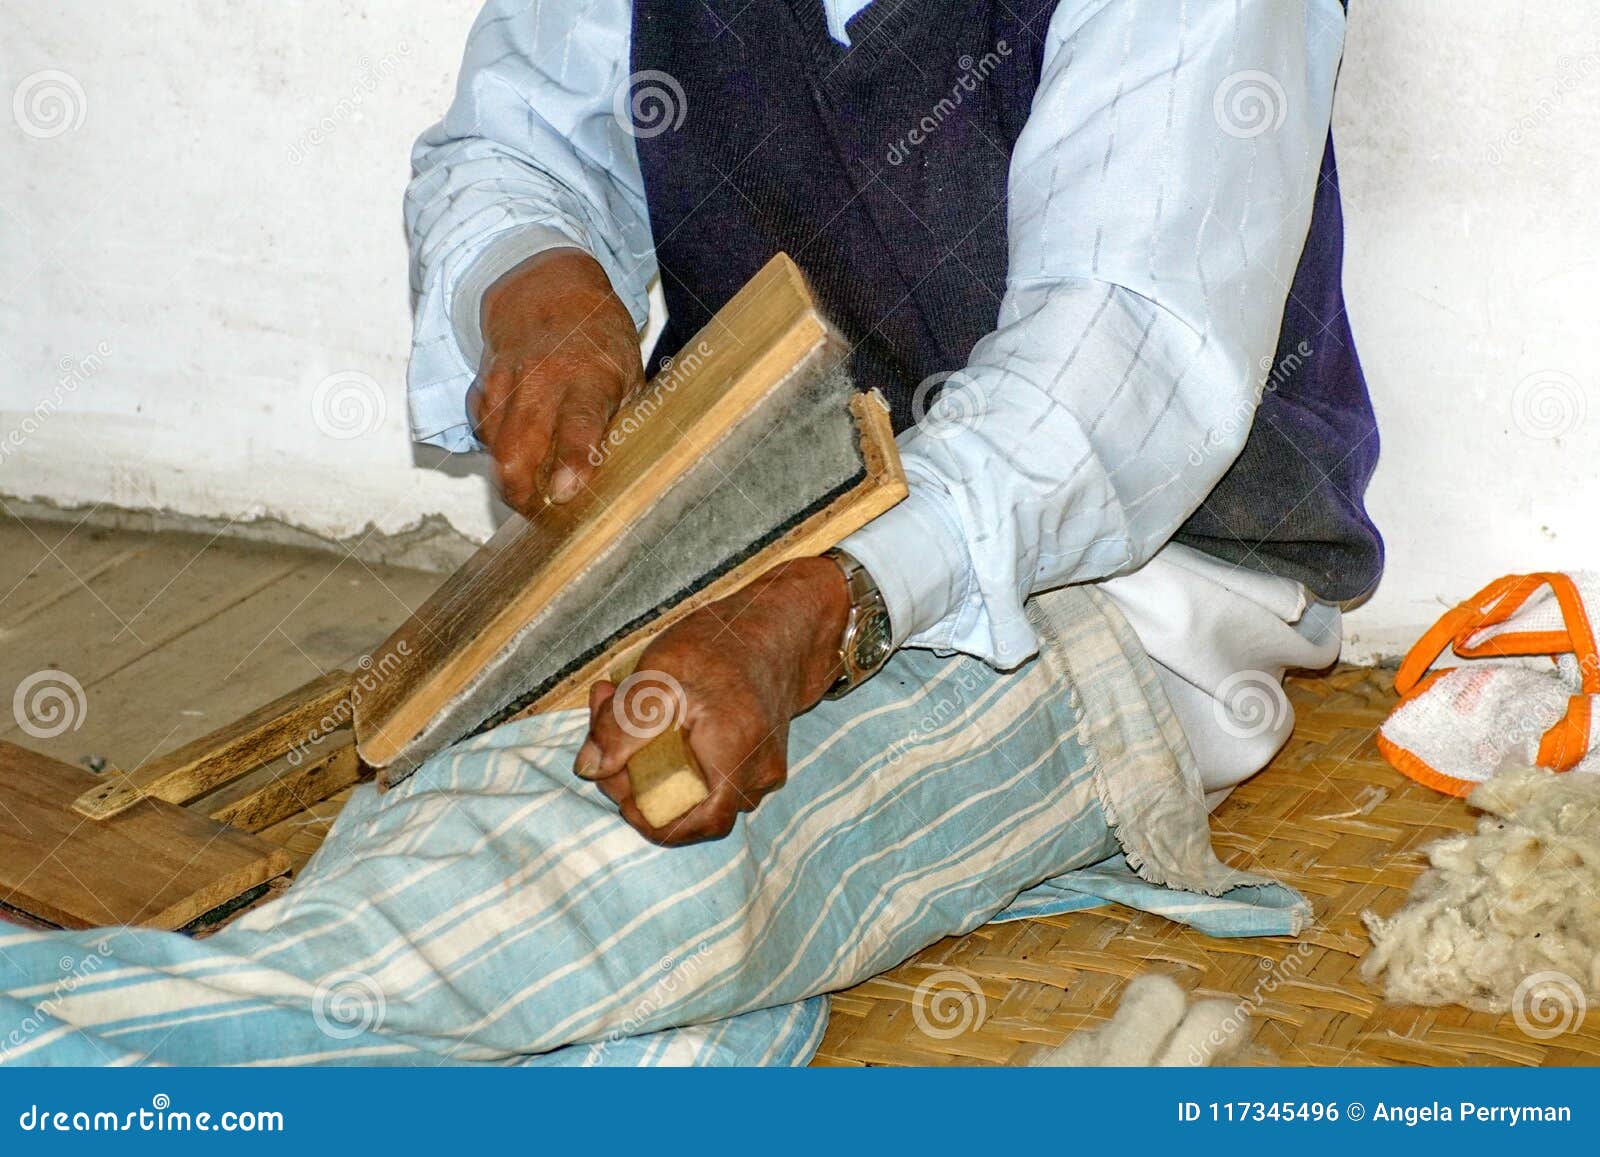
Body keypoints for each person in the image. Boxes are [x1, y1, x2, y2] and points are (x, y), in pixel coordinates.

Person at [0, 0, 1374, 1066]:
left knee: (617, 870)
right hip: (755, 527)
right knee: (500, 852)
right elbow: (516, 146)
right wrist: (541, 283)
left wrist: (813, 614)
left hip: (1114, 589)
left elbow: (1111, 375)